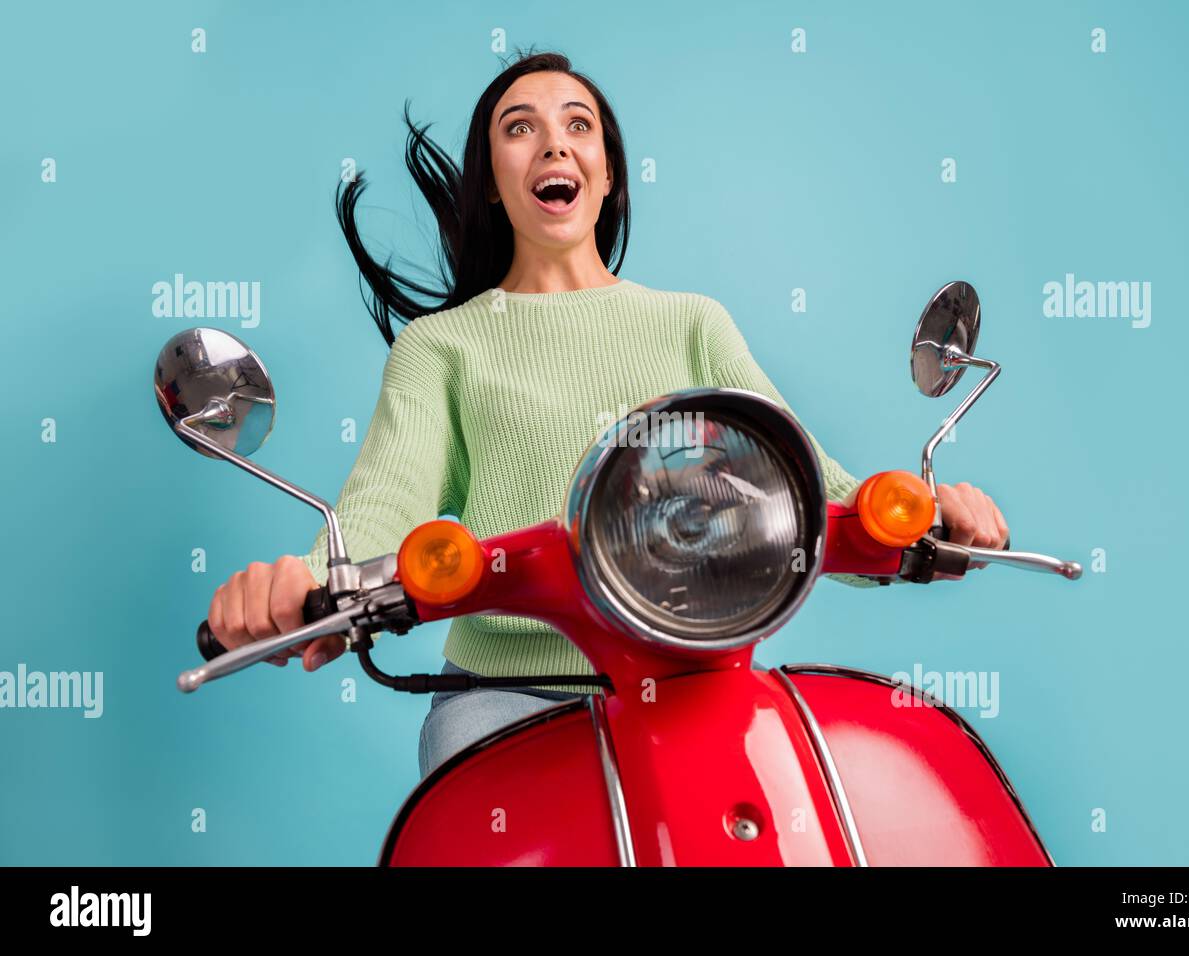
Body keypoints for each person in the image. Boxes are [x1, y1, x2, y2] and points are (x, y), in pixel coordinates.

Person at [204, 50, 1010, 779]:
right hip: (508, 694)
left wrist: (920, 514)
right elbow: (387, 499)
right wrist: (310, 580)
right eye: (520, 129)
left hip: (698, 686)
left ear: (609, 171)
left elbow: (809, 485)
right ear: (491, 176)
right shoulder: (440, 347)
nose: (554, 144)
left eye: (577, 125)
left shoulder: (693, 321)